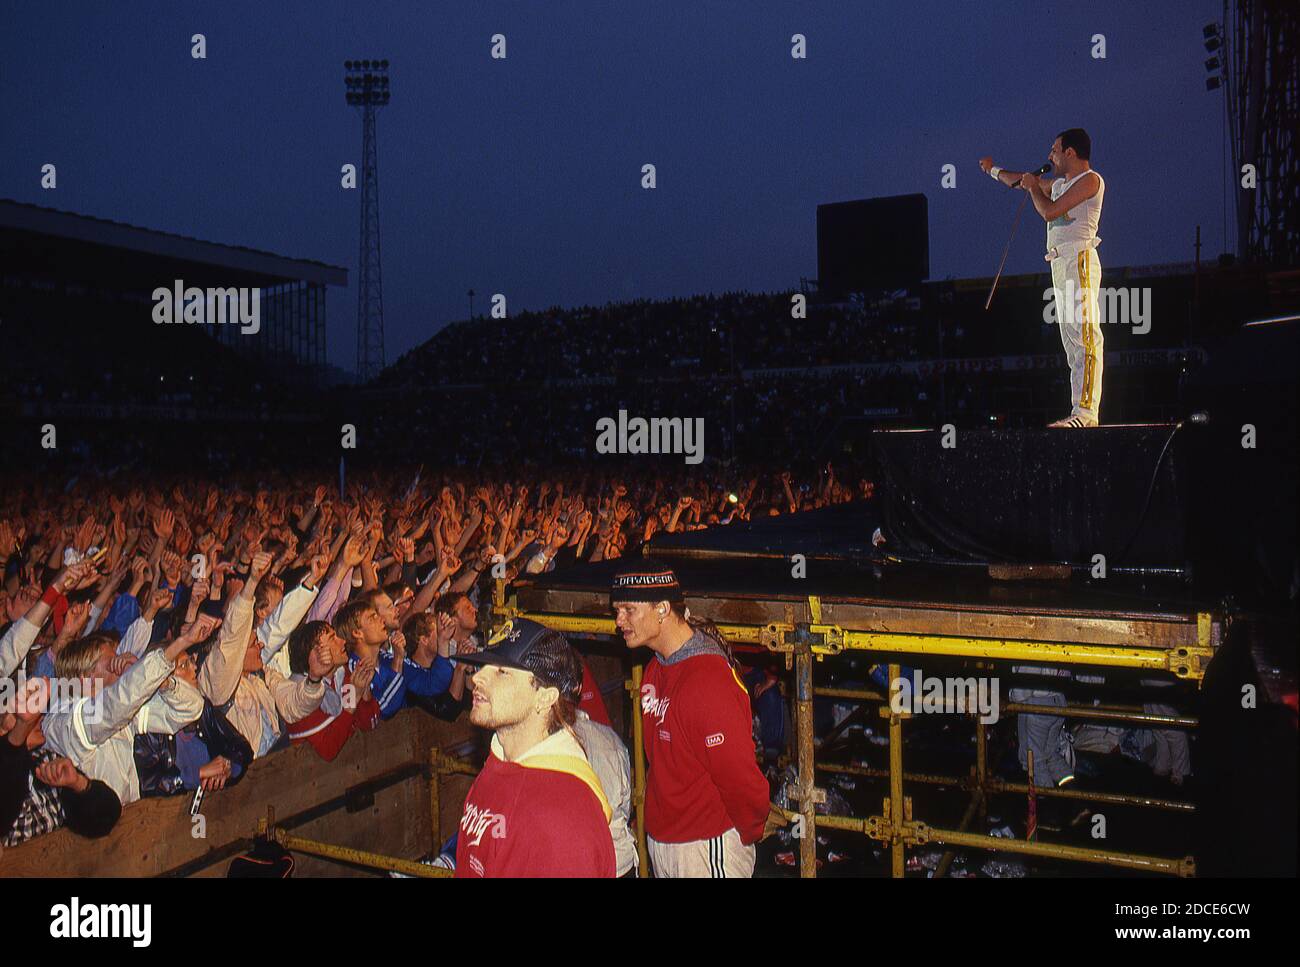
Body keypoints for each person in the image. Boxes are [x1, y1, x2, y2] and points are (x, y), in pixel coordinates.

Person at [611, 567, 771, 877]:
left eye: (629, 609)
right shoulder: (656, 669)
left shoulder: (708, 680)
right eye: (617, 610)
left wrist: (751, 829)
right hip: (665, 842)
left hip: (706, 846)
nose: (619, 620)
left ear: (662, 609)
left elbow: (738, 776)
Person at [454, 617, 615, 877]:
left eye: (502, 672)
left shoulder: (565, 814)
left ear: (545, 697)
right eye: (484, 666)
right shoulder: (499, 761)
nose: (478, 677)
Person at [981, 128, 1105, 427]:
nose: (1050, 155)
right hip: (1060, 263)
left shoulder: (1090, 180)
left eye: (1054, 149)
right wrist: (992, 169)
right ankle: (1079, 410)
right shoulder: (1060, 183)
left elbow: (1049, 212)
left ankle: (1087, 413)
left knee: (1085, 337)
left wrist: (1034, 187)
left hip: (1079, 259)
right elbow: (1019, 181)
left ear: (1070, 153)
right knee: (1071, 341)